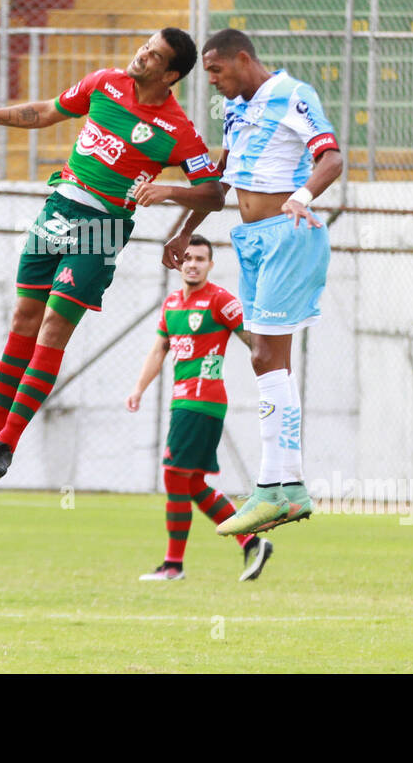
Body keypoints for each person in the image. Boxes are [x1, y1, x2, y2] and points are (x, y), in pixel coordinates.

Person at [0, 28, 226, 479]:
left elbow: (213, 192)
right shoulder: (104, 83)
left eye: (154, 56)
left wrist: (170, 190)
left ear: (170, 74)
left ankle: (7, 443)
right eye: (144, 47)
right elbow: (42, 113)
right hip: (58, 207)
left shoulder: (177, 130)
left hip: (102, 227)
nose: (142, 56)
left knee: (54, 325)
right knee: (24, 319)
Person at [168, 29, 344, 536]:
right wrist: (185, 232)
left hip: (288, 234)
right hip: (252, 241)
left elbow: (330, 157)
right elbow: (221, 186)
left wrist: (301, 198)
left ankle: (273, 487)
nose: (214, 83)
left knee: (265, 355)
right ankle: (288, 491)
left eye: (218, 72)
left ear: (244, 59)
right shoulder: (234, 111)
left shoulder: (294, 94)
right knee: (270, 359)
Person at [126, 234, 272, 581]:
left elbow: (253, 339)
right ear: (179, 262)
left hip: (202, 400)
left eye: (200, 259)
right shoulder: (172, 303)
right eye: (187, 258)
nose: (192, 264)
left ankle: (173, 565)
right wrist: (138, 388)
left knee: (173, 474)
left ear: (210, 265)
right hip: (184, 401)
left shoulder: (221, 300)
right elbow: (160, 349)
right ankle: (250, 541)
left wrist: (273, 368)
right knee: (191, 484)